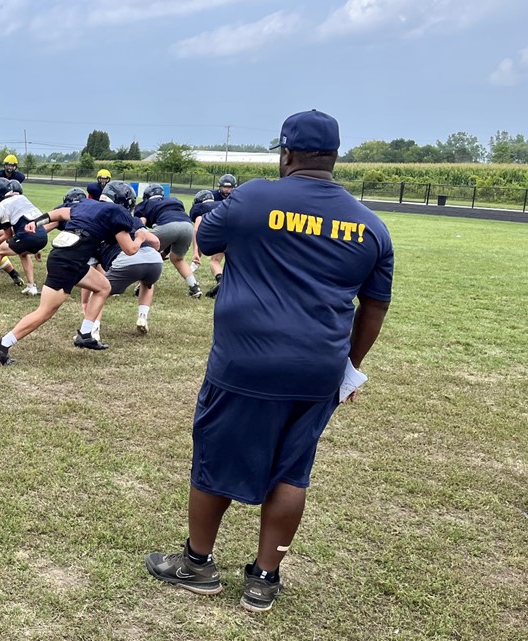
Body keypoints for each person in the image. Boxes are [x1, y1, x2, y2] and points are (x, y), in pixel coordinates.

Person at [144, 109, 393, 614]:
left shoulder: (254, 197)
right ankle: (264, 579)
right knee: (292, 472)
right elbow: (375, 307)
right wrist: (348, 366)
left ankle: (197, 564)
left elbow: (206, 241)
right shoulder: (371, 226)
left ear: (287, 154)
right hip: (318, 369)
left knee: (214, 457)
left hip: (246, 362)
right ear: (334, 155)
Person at [0, 181, 151, 366]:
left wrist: (36, 222)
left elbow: (57, 214)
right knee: (44, 311)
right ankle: (3, 344)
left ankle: (85, 334)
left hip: (68, 257)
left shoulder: (86, 204)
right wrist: (140, 238)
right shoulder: (116, 212)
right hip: (69, 262)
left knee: (103, 287)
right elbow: (130, 249)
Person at [0, 178, 43, 296]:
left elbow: (8, 235)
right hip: (42, 234)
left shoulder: (1, 207)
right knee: (23, 253)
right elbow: (19, 228)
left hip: (27, 235)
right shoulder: (22, 198)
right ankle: (31, 286)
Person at [133, 184, 202, 298]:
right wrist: (164, 252)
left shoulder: (145, 204)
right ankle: (194, 287)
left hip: (166, 225)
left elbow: (141, 223)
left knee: (145, 253)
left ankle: (144, 284)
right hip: (187, 226)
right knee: (178, 259)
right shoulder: (174, 200)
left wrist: (140, 238)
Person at [189, 189, 225, 291]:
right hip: (236, 231)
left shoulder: (200, 208)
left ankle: (221, 281)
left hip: (220, 233)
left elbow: (196, 230)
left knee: (215, 261)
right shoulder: (223, 204)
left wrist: (195, 252)